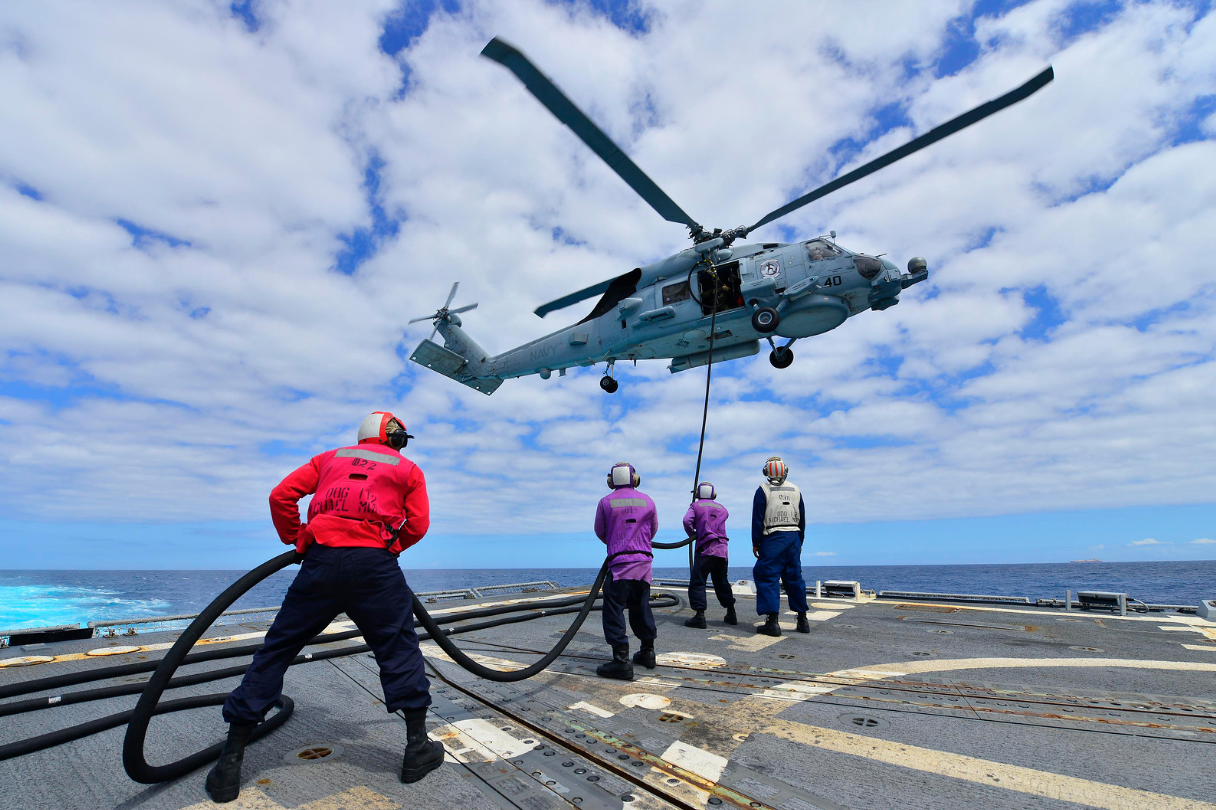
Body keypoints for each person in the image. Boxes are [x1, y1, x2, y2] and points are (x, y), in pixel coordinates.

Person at [205, 412, 443, 803]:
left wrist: (297, 538)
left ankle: (230, 762)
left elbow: (280, 496)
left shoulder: (328, 459)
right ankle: (417, 748)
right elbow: (417, 524)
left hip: (320, 563)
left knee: (276, 650)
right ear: (393, 437)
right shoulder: (408, 469)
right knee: (398, 649)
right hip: (376, 570)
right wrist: (390, 546)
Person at [593, 462, 658, 681]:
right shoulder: (648, 500)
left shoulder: (605, 502)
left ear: (611, 481)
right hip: (643, 564)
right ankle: (648, 652)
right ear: (635, 479)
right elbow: (653, 529)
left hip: (619, 565)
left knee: (613, 609)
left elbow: (600, 531)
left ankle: (621, 661)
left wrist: (615, 544)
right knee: (641, 606)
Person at [751, 456, 811, 637]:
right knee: (794, 577)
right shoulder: (796, 489)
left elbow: (757, 519)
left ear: (766, 471)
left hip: (773, 537)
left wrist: (756, 543)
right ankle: (802, 619)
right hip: (793, 537)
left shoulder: (763, 490)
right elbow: (802, 517)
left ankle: (772, 621)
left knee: (766, 575)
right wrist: (800, 541)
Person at [682, 482, 737, 628]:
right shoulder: (722, 508)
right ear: (714, 495)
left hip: (705, 549)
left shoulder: (695, 506)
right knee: (721, 581)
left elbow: (687, 521)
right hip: (722, 550)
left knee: (698, 581)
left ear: (697, 494)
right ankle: (731, 612)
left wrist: (693, 534)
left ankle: (700, 616)